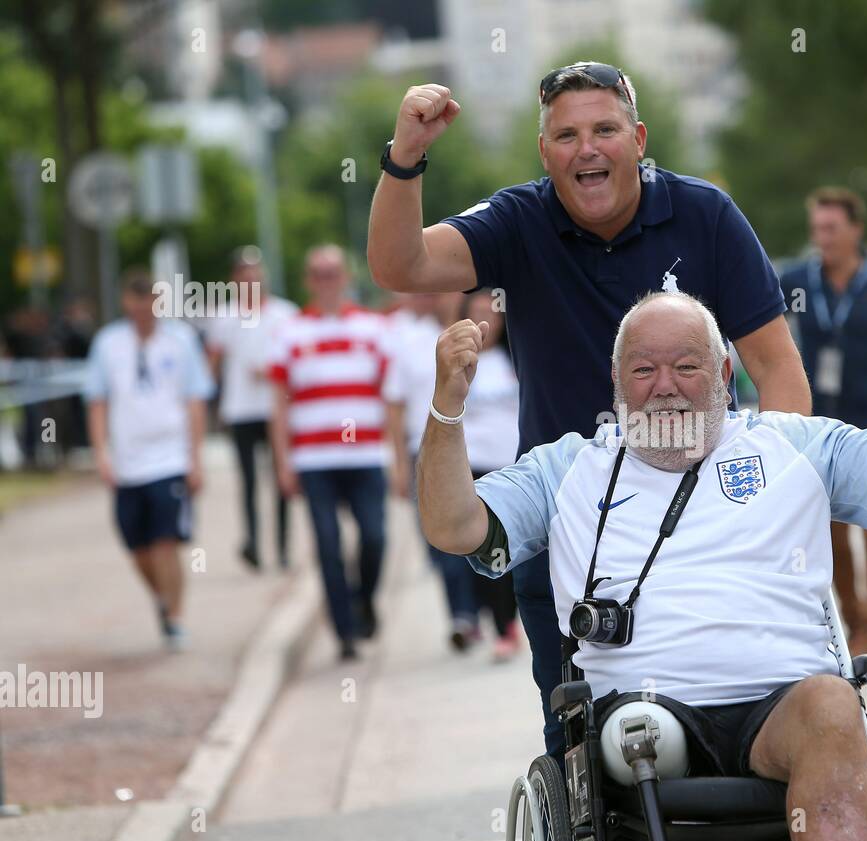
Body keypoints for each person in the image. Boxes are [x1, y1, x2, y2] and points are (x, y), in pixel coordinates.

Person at [419, 280, 867, 841]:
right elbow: (453, 526)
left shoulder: (792, 445)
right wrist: (446, 406)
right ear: (617, 384)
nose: (665, 388)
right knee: (641, 735)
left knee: (833, 708)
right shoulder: (569, 468)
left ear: (725, 374)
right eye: (644, 370)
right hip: (642, 716)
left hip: (785, 705)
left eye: (686, 366)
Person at [368, 61, 811, 757]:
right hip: (571, 523)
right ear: (545, 154)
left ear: (637, 139)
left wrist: (777, 491)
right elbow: (402, 268)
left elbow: (777, 365)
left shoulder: (706, 216)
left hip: (699, 513)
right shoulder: (519, 221)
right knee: (585, 748)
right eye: (567, 135)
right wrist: (405, 160)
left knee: (742, 711)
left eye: (605, 129)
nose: (588, 148)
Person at [780, 187, 867, 658]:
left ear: (855, 229)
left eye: (832, 228)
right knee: (831, 532)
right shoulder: (798, 280)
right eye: (817, 228)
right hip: (821, 423)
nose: (823, 237)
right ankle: (855, 622)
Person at [268, 246, 392, 660]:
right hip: (314, 459)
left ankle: (363, 600)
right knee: (326, 544)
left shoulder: (373, 329)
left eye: (333, 272)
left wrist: (394, 453)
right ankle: (344, 631)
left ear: (346, 276)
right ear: (308, 280)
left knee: (374, 536)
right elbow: (278, 403)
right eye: (318, 273)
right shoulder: (290, 331)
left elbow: (391, 396)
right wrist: (282, 462)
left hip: (365, 454)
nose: (326, 280)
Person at [384, 289, 523, 659]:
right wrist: (402, 465)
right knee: (453, 549)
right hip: (461, 469)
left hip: (505, 467)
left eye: (491, 314)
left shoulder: (516, 359)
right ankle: (465, 618)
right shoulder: (450, 360)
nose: (484, 323)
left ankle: (505, 625)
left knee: (499, 551)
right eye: (475, 314)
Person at [83, 268, 215, 650]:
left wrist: (195, 458)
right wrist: (101, 453)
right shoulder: (108, 344)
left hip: (169, 458)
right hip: (128, 461)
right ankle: (162, 596)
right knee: (137, 546)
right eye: (136, 301)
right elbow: (98, 401)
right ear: (126, 302)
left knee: (165, 542)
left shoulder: (180, 340)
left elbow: (195, 401)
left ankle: (175, 618)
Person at [206, 246, 298, 570]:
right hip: (241, 408)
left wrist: (272, 374)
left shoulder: (284, 314)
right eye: (244, 275)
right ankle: (253, 543)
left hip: (275, 408)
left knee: (281, 479)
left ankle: (283, 547)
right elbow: (213, 364)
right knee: (248, 481)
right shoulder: (224, 317)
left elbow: (295, 362)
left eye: (255, 274)